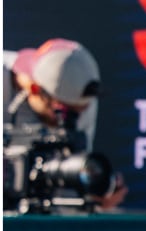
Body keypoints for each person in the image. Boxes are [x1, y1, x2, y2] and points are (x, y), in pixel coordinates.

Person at [3, 38, 127, 208]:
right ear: (34, 90)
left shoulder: (80, 99)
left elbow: (67, 177)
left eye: (80, 110)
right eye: (63, 112)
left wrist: (91, 199)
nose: (73, 119)